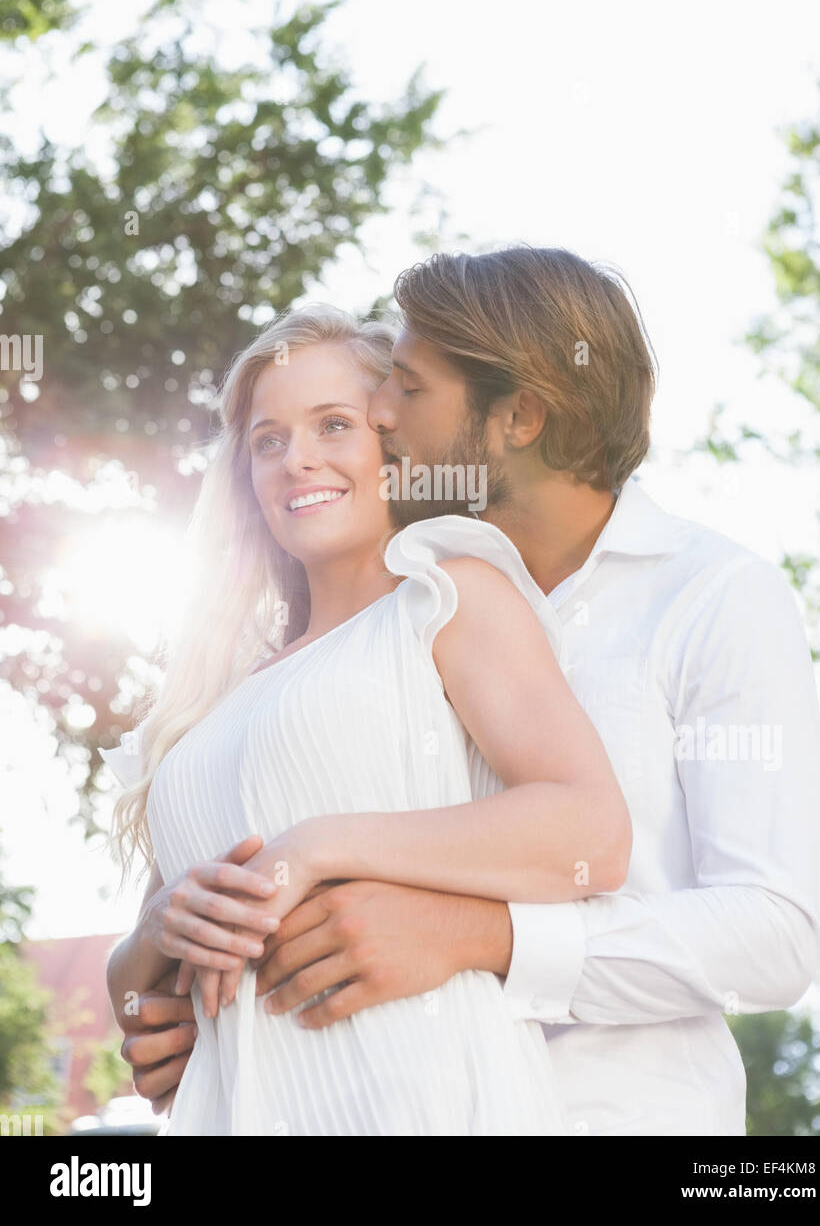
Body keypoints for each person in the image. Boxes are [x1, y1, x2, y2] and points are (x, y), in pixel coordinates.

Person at [116, 245, 820, 1137]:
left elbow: (773, 935)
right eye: (272, 437)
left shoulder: (709, 595)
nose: (380, 412)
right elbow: (189, 922)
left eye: (403, 393)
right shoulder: (381, 618)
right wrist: (160, 983)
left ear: (518, 416)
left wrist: (478, 936)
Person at [102, 302, 631, 1136]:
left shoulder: (447, 597)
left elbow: (590, 834)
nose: (295, 459)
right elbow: (144, 1002)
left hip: (419, 1100)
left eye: (333, 425)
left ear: (392, 444)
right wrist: (151, 931)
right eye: (268, 440)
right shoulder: (210, 705)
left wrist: (322, 845)